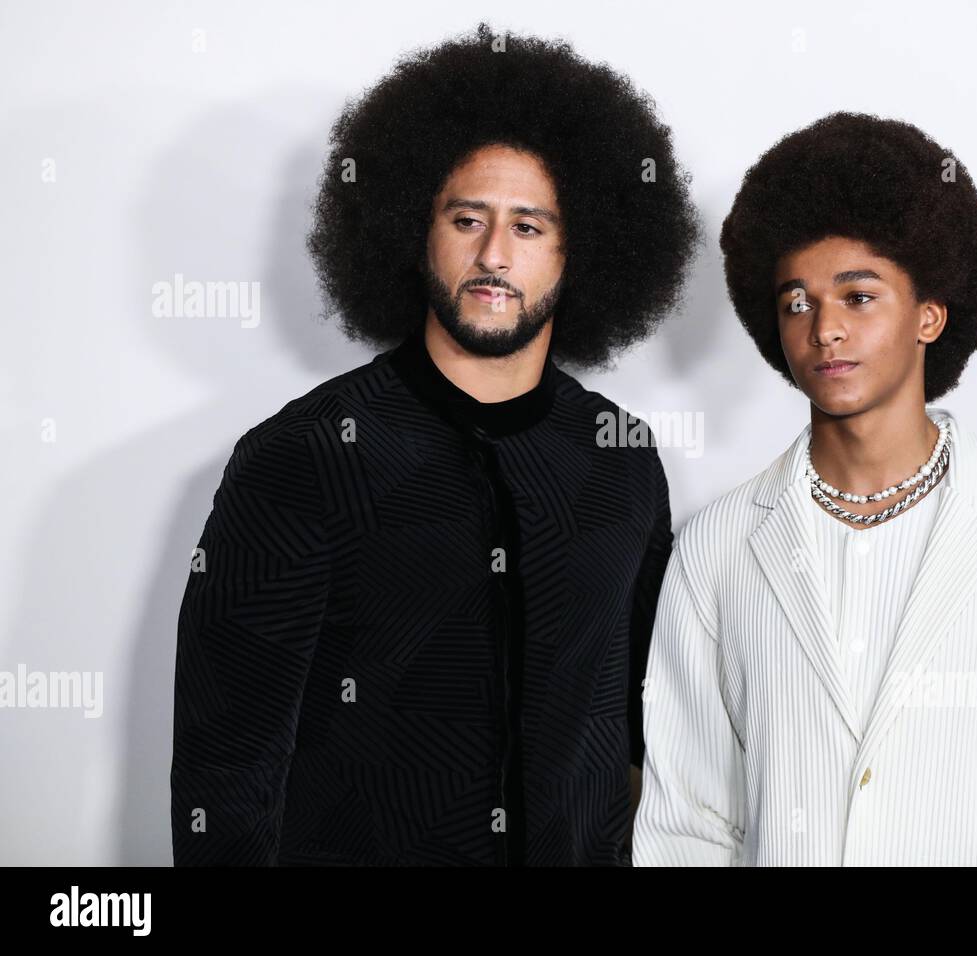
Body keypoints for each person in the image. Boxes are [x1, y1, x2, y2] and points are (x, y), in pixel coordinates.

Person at [171, 22, 700, 866]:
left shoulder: (622, 460)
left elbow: (646, 730)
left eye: (529, 227)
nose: (494, 254)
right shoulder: (302, 458)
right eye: (468, 219)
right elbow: (226, 772)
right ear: (416, 230)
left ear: (580, 249)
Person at [633, 112, 977, 866]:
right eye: (797, 302)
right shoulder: (715, 551)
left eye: (859, 296)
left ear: (931, 316)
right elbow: (687, 826)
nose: (825, 329)